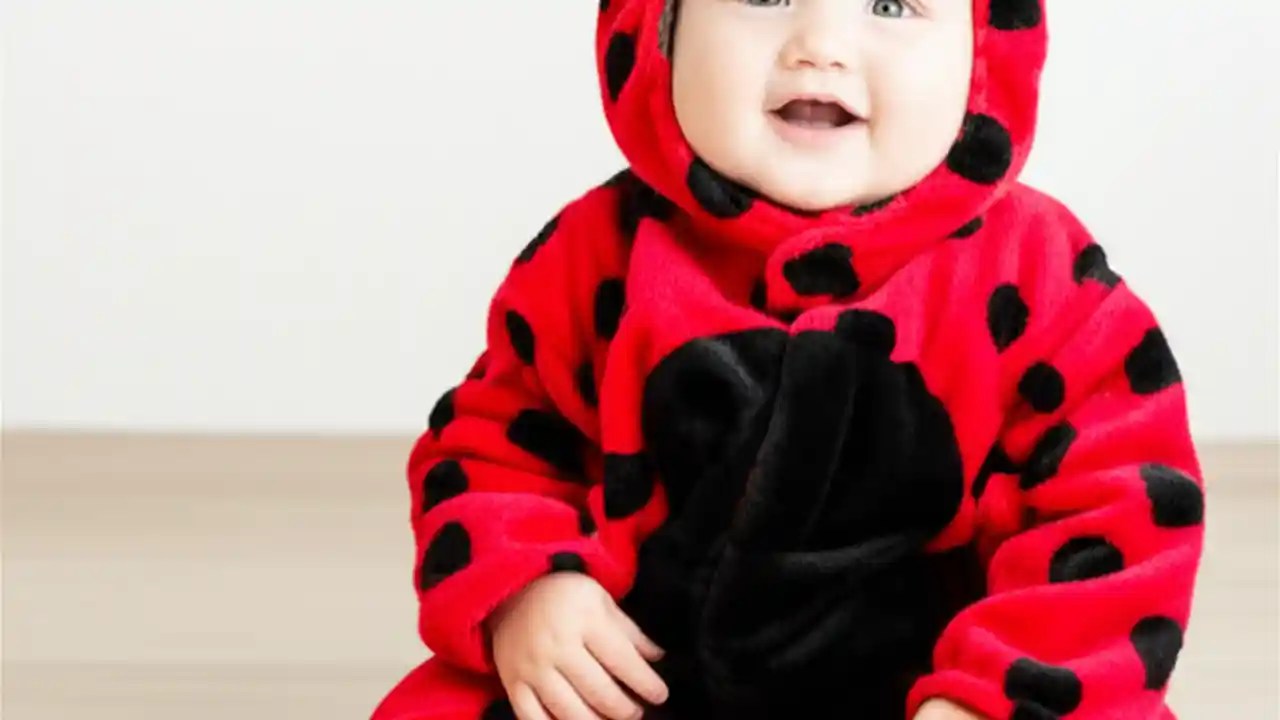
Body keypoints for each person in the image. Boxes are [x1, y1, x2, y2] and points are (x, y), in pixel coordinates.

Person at [371, 1, 1207, 718]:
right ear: (657, 27)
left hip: (944, 681)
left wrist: (996, 691)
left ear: (986, 48)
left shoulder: (1044, 280)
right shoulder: (598, 257)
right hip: (644, 676)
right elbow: (492, 448)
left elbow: (1122, 511)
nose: (820, 42)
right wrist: (527, 591)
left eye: (888, 3)